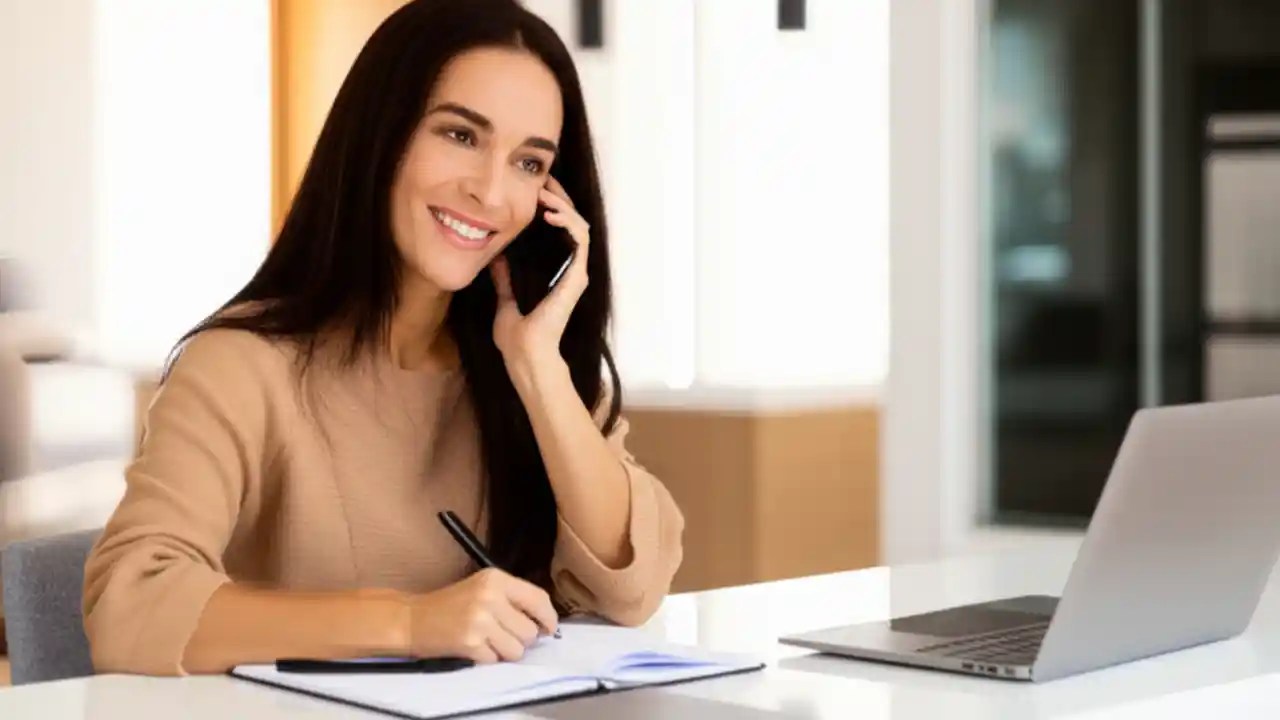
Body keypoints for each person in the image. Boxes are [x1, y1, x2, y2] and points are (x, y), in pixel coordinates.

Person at [82, 0, 684, 676]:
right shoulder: (240, 366)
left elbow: (633, 587)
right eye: (460, 135)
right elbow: (131, 607)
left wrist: (538, 365)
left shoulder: (526, 368)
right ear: (381, 134)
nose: (490, 191)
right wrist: (409, 622)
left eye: (528, 163)